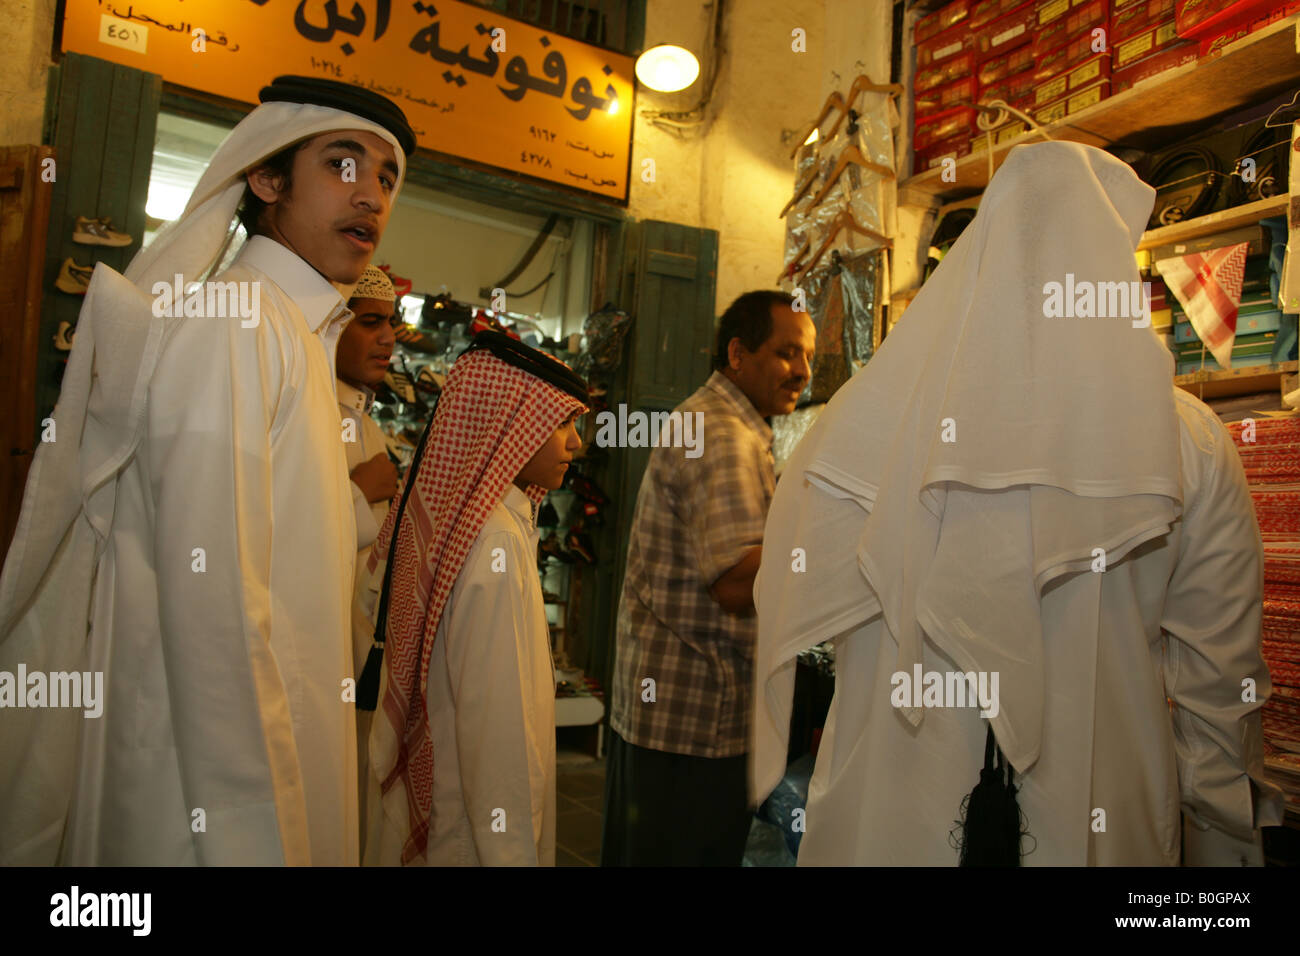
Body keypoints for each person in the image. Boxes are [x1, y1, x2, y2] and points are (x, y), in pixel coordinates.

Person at [750, 140, 1284, 866]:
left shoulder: (868, 422)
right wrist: (1227, 857)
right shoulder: (1187, 440)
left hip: (884, 816)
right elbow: (1219, 691)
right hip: (1096, 819)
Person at [0, 76, 415, 865]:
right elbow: (213, 603)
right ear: (265, 177)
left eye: (386, 176)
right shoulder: (238, 322)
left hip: (269, 749)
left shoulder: (293, 332)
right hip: (207, 792)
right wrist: (247, 825)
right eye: (342, 164)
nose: (370, 194)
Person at [601, 291, 816, 866]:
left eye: (808, 357)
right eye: (787, 352)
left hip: (671, 713)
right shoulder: (723, 434)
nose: (802, 371)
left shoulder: (723, 422)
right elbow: (734, 582)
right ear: (738, 353)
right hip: (695, 720)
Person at [362, 331, 588, 866]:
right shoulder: (496, 541)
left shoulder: (478, 523)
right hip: (470, 831)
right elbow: (499, 737)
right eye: (561, 422)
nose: (576, 443)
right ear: (508, 421)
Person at [335, 263, 399, 850]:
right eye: (370, 322)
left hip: (363, 652)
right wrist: (359, 492)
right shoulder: (308, 413)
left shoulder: (366, 424)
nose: (388, 338)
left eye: (393, 324)